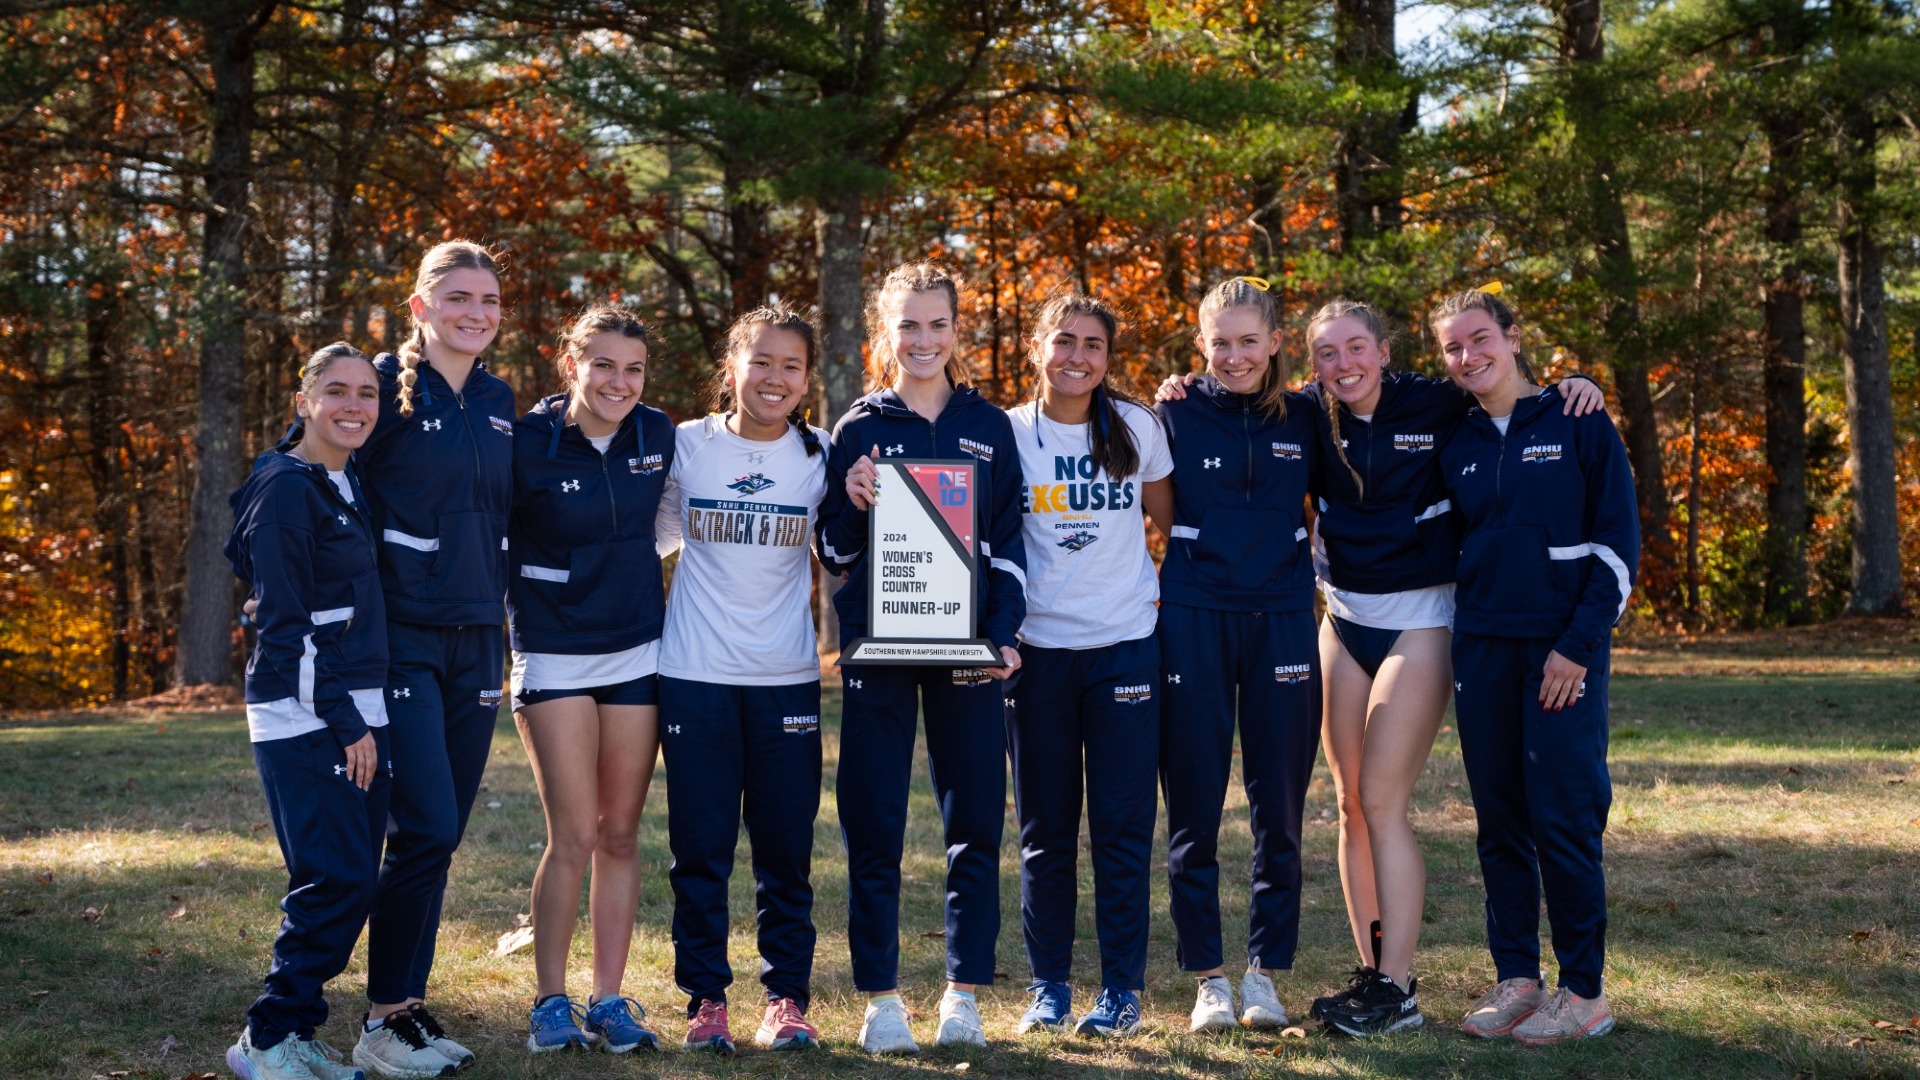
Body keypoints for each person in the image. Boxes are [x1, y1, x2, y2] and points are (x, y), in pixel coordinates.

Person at [1297, 299, 1603, 1036]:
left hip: (1423, 619)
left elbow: (1512, 390)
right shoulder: (1305, 412)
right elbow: (1234, 406)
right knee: (1345, 805)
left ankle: (1399, 988)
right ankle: (1374, 977)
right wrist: (1184, 385)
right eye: (1328, 355)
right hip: (1342, 620)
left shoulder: (1436, 401)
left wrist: (1576, 379)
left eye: (1357, 349)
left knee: (1380, 798)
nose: (1345, 366)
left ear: (1385, 350)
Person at [817, 262, 1028, 1054]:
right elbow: (834, 550)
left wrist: (1004, 631)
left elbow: (1007, 545)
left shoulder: (990, 426)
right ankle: (880, 999)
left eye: (938, 324)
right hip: (881, 650)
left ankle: (962, 994)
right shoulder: (858, 427)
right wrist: (856, 497)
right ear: (885, 333)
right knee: (873, 823)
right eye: (908, 324)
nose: (924, 339)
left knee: (972, 821)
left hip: (969, 653)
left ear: (957, 330)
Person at [1431, 286, 1637, 1046]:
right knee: (1501, 819)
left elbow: (1618, 545)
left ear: (1513, 338)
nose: (1467, 356)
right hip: (1481, 646)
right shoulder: (1453, 437)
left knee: (1565, 817)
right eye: (1452, 347)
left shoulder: (1579, 419)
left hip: (1561, 655)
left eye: (1479, 338)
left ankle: (1585, 993)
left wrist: (1577, 648)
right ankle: (1518, 978)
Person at [354, 241, 515, 1078]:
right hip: (403, 639)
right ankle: (380, 1019)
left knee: (437, 838)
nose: (476, 312)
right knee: (425, 824)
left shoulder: (498, 399)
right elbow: (308, 469)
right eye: (458, 298)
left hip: (480, 636)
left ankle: (408, 1008)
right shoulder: (377, 385)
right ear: (421, 306)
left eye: (488, 299)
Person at [653, 306, 830, 1054]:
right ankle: (705, 1001)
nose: (775, 377)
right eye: (761, 361)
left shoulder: (821, 456)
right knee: (700, 848)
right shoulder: (685, 447)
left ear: (805, 379)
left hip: (787, 679)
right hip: (694, 674)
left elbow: (850, 552)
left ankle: (786, 998)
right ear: (732, 367)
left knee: (785, 851)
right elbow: (640, 535)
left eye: (791, 365)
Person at [1003, 291, 1173, 1039]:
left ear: (1109, 357)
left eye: (1093, 345)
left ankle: (1122, 992)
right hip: (1036, 655)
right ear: (1040, 346)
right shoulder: (1006, 434)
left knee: (1122, 829)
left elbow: (1172, 521)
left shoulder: (1136, 427)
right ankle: (1049, 989)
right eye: (1064, 340)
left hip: (1125, 646)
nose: (1077, 356)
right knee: (1045, 831)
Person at [1154, 276, 1320, 1034]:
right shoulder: (1174, 412)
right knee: (1192, 807)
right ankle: (1209, 979)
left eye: (1249, 340)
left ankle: (1264, 973)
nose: (1234, 355)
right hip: (1193, 616)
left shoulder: (1312, 416)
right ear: (1200, 345)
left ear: (1276, 342)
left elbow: (1407, 408)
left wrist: (1570, 383)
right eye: (1219, 342)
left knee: (1277, 809)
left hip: (1284, 619)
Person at [506, 306, 673, 1054]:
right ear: (571, 364)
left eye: (633, 368)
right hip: (554, 652)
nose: (619, 381)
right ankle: (550, 1001)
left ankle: (609, 1000)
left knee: (621, 832)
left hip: (637, 650)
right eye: (603, 364)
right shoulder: (527, 441)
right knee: (572, 834)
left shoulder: (658, 434)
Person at [224, 344, 391, 1080]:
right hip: (309, 712)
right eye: (336, 391)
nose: (353, 405)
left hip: (352, 698)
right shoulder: (288, 486)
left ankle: (297, 1030)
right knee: (336, 878)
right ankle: (265, 1037)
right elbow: (286, 623)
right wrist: (344, 721)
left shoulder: (342, 480)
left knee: (345, 875)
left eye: (367, 393)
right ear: (303, 401)